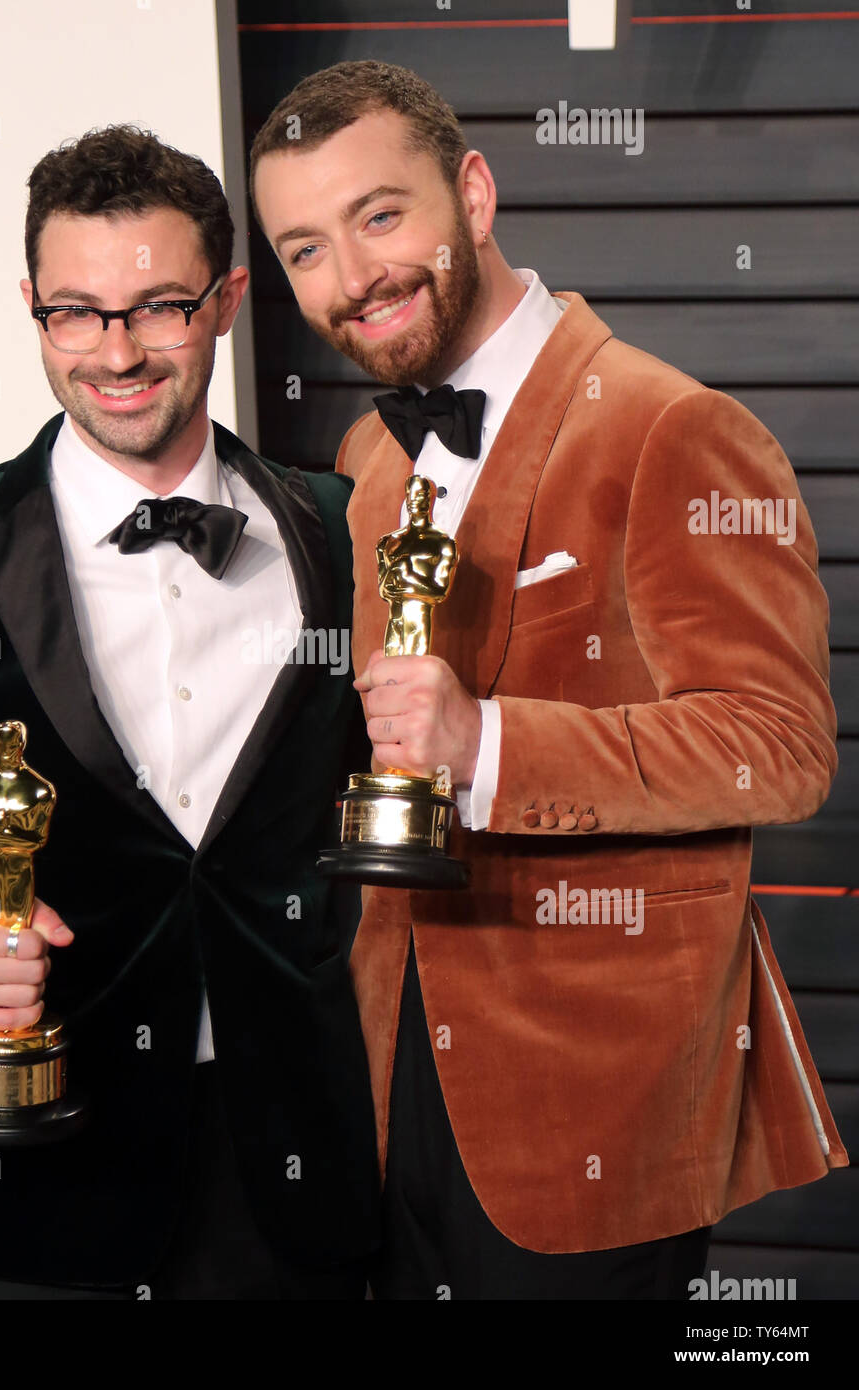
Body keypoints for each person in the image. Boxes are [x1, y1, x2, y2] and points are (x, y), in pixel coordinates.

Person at [250, 60, 848, 1299]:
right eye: (305, 247)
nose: (352, 277)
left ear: (472, 192)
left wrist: (492, 745)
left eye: (378, 216)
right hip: (390, 1070)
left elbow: (782, 743)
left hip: (597, 1100)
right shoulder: (370, 453)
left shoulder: (672, 426)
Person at [0, 124, 378, 1299]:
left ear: (226, 302)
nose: (117, 352)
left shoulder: (340, 530)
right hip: (36, 1202)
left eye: (159, 306)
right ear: (32, 307)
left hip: (301, 1192)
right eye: (76, 311)